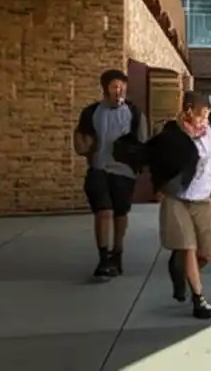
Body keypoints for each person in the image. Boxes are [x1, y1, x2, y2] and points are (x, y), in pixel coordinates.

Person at [145, 91, 211, 319]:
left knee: (210, 251)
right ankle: (198, 298)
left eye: (208, 115)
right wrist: (158, 187)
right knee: (188, 246)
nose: (205, 120)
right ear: (188, 111)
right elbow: (157, 161)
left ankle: (180, 271)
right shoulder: (172, 133)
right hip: (177, 198)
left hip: (202, 199)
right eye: (201, 115)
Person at [72, 69, 149, 280]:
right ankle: (103, 256)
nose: (119, 91)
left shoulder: (134, 114)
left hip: (124, 172)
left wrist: (139, 163)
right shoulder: (91, 112)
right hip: (98, 168)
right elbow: (81, 140)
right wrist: (84, 145)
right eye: (114, 87)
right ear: (105, 89)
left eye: (122, 87)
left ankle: (118, 251)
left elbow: (143, 142)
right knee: (103, 211)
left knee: (120, 214)